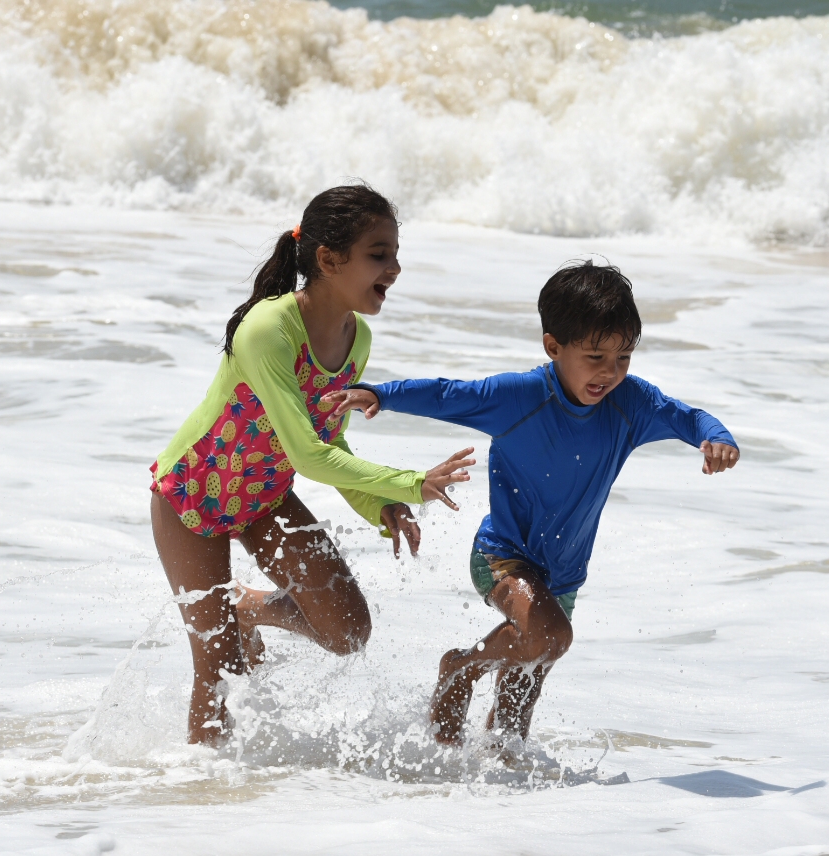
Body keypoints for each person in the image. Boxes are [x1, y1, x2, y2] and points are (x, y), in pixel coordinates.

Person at [325, 260, 740, 745]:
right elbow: (450, 395)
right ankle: (461, 667)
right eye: (595, 356)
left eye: (624, 358)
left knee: (519, 705)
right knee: (551, 638)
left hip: (564, 573)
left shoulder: (633, 404)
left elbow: (688, 418)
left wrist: (716, 438)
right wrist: (381, 394)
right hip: (502, 555)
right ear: (553, 346)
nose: (610, 372)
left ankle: (493, 795)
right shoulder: (521, 397)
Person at [149, 185, 474, 745]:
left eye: (395, 253)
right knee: (220, 663)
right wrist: (413, 482)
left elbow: (331, 442)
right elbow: (308, 455)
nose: (395, 268)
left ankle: (246, 607)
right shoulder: (268, 328)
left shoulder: (357, 338)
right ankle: (200, 796)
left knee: (349, 631)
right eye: (379, 254)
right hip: (191, 495)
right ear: (328, 259)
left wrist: (382, 502)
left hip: (264, 499)